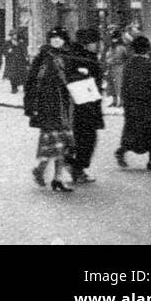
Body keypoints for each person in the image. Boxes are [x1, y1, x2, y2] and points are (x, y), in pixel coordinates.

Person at [24, 27, 77, 192]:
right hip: (48, 108)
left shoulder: (65, 57)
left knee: (62, 145)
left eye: (60, 38)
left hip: (64, 108)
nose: (57, 41)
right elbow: (32, 83)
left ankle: (56, 178)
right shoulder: (43, 58)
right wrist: (31, 106)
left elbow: (71, 79)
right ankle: (42, 171)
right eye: (54, 38)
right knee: (55, 144)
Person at [116, 35, 151, 171]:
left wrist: (124, 101)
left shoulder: (129, 64)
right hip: (148, 103)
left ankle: (122, 150)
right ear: (146, 49)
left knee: (132, 131)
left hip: (132, 104)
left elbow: (124, 85)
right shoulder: (148, 65)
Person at [67, 28, 105, 185]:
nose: (98, 45)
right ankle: (77, 169)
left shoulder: (76, 55)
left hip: (83, 103)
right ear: (87, 43)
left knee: (81, 138)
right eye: (96, 42)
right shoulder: (85, 58)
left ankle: (74, 165)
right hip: (84, 103)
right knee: (87, 138)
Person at [106, 26, 131, 108]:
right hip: (111, 67)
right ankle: (114, 101)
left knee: (119, 85)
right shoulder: (111, 47)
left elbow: (127, 57)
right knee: (111, 85)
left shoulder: (122, 47)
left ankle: (121, 102)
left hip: (120, 67)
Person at [3, 28, 30, 94]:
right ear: (11, 36)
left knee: (23, 75)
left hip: (20, 62)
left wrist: (26, 57)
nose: (15, 36)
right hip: (12, 62)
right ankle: (14, 88)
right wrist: (11, 48)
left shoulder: (20, 42)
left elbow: (24, 50)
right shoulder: (7, 43)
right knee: (13, 76)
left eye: (16, 35)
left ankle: (25, 88)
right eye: (13, 35)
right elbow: (5, 52)